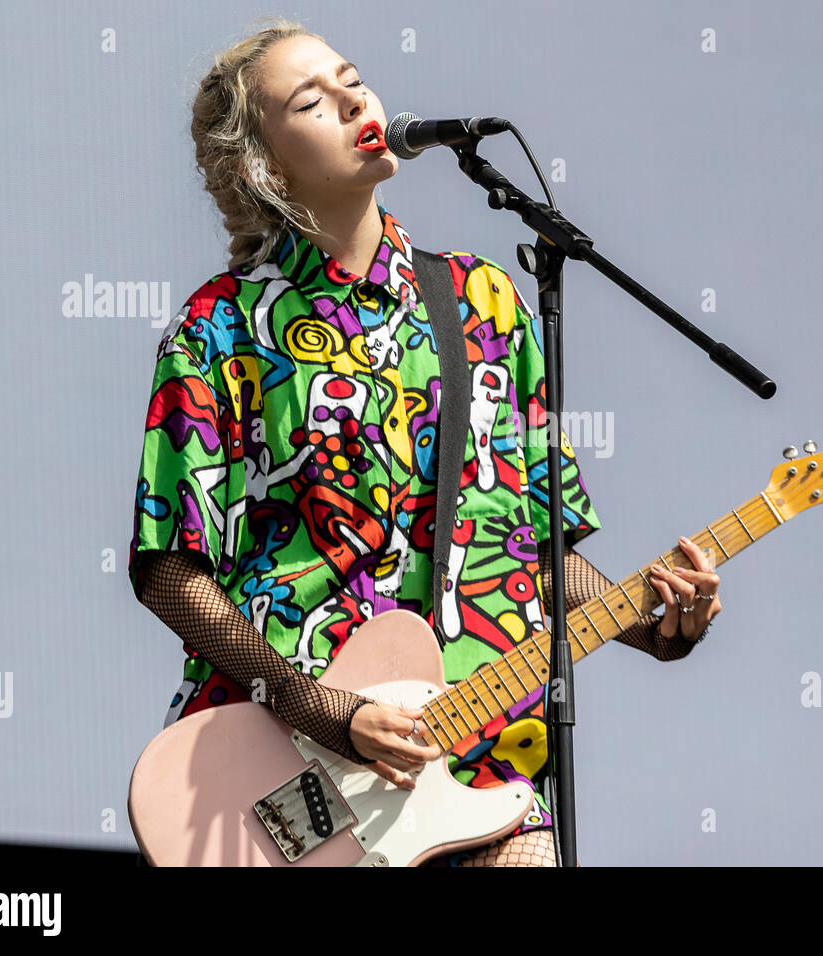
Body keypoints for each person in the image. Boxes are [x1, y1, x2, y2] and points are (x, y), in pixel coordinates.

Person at [128, 19, 723, 868]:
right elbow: (170, 570)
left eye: (352, 80)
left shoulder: (486, 302)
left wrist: (653, 625)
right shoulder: (217, 328)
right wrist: (324, 709)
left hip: (477, 760)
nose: (353, 102)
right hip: (286, 763)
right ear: (265, 169)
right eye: (311, 101)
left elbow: (528, 547)